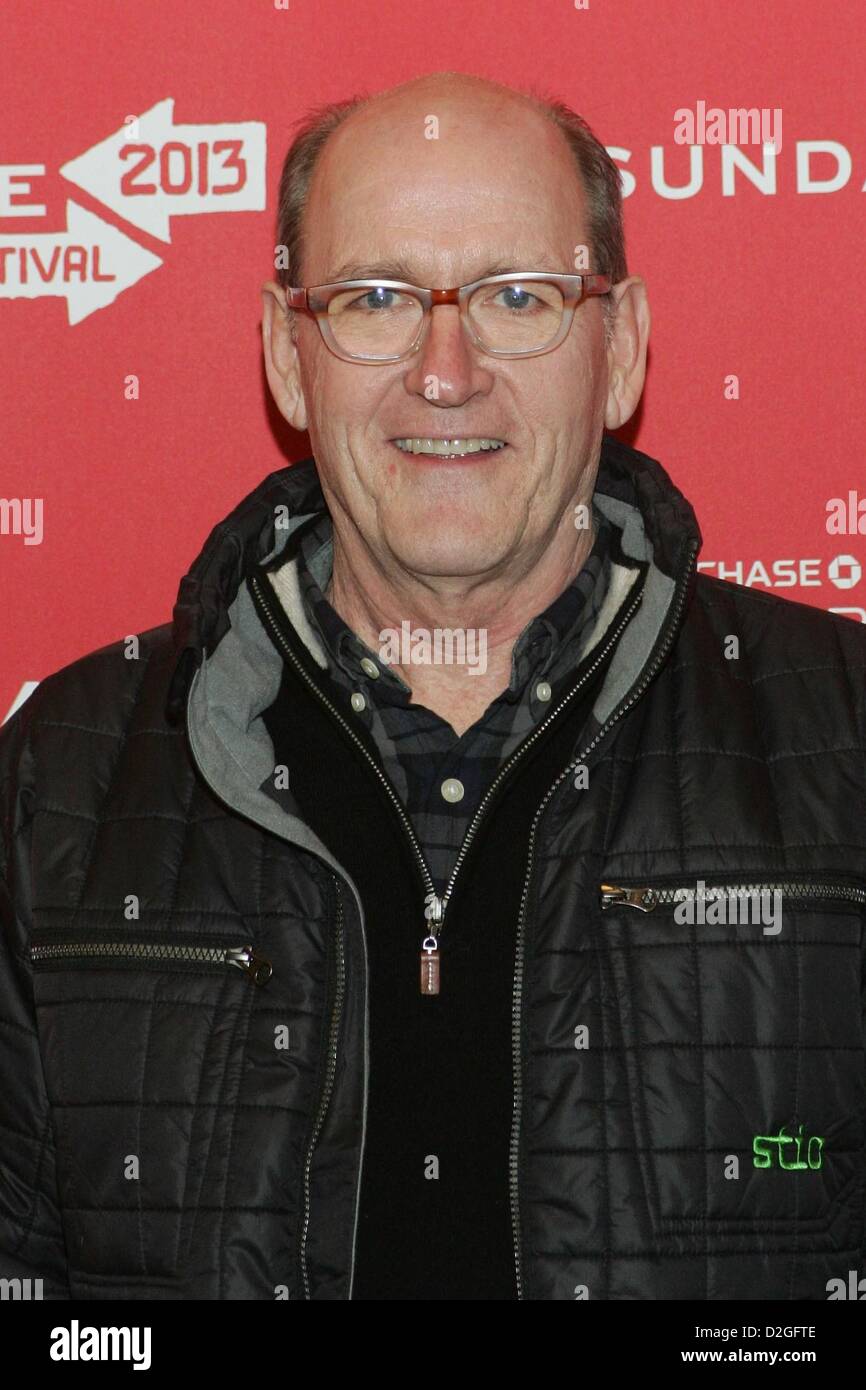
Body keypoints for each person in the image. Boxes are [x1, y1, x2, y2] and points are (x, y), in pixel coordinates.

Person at [1, 70, 864, 1302]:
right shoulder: (62, 777)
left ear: (618, 350)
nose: (443, 370)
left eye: (519, 297)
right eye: (375, 298)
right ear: (286, 358)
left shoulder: (840, 739)